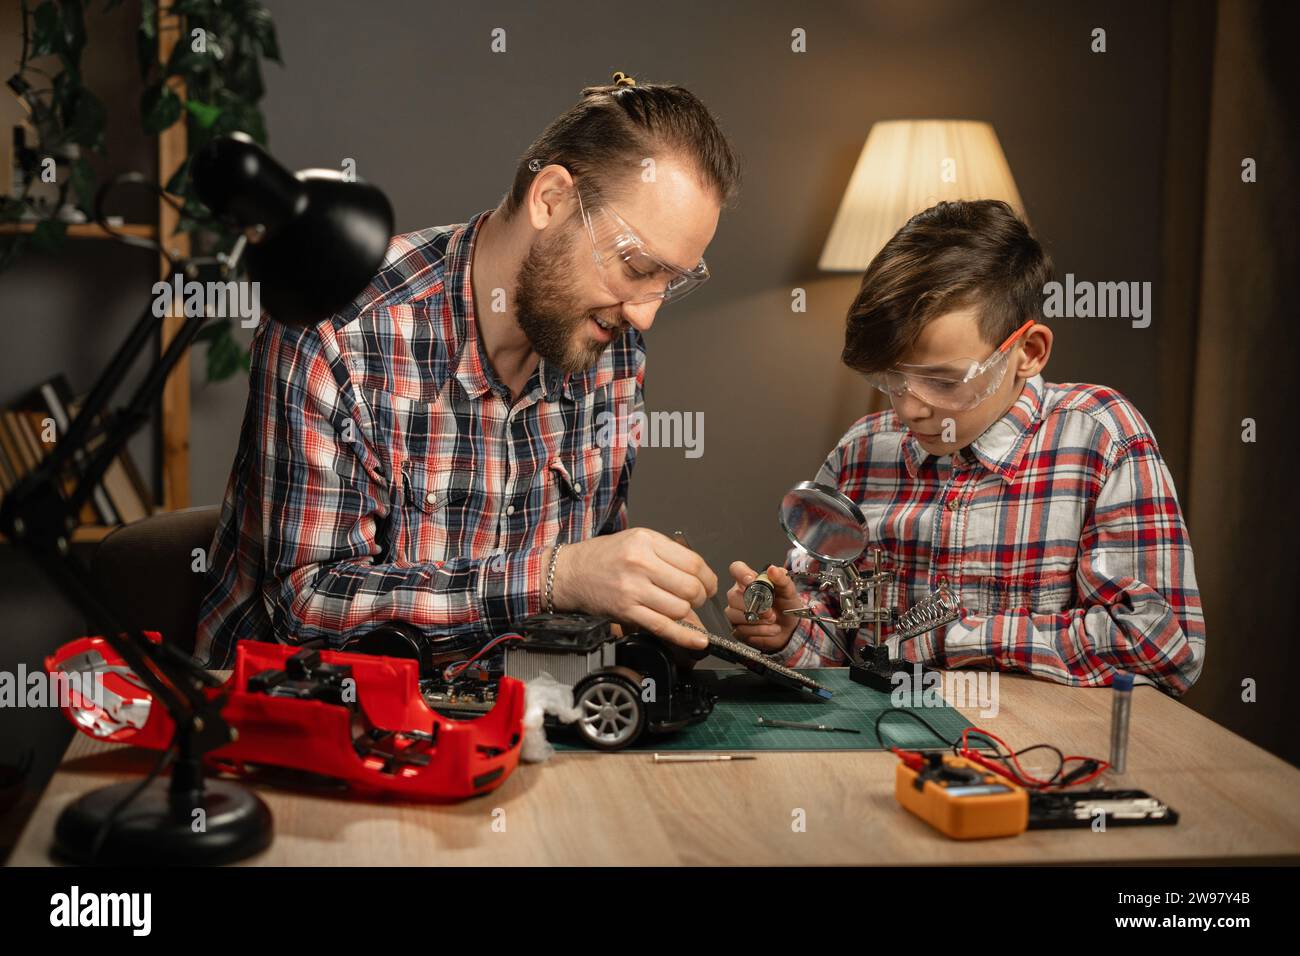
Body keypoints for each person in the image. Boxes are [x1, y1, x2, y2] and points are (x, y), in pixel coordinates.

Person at [194, 74, 740, 668]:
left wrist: (647, 601)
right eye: (636, 266)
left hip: (518, 721)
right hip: (296, 727)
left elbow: (588, 587)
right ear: (551, 198)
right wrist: (551, 578)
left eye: (672, 283)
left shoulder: (613, 345)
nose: (646, 315)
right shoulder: (335, 329)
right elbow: (303, 609)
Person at [724, 200, 1204, 694]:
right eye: (892, 378)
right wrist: (786, 631)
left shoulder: (1099, 439)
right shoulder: (861, 452)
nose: (911, 410)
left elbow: (1162, 645)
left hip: (1033, 751)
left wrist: (953, 638)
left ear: (1028, 352)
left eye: (943, 380)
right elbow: (833, 642)